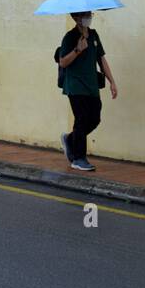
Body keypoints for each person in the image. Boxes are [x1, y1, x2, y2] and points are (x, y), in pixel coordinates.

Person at [57, 10, 116, 172]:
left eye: (89, 14)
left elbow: (101, 58)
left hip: (92, 85)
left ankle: (70, 139)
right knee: (82, 120)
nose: (88, 18)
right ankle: (78, 158)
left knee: (95, 118)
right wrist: (77, 49)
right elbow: (62, 62)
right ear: (75, 17)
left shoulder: (94, 35)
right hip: (75, 86)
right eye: (84, 15)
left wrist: (112, 81)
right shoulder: (69, 37)